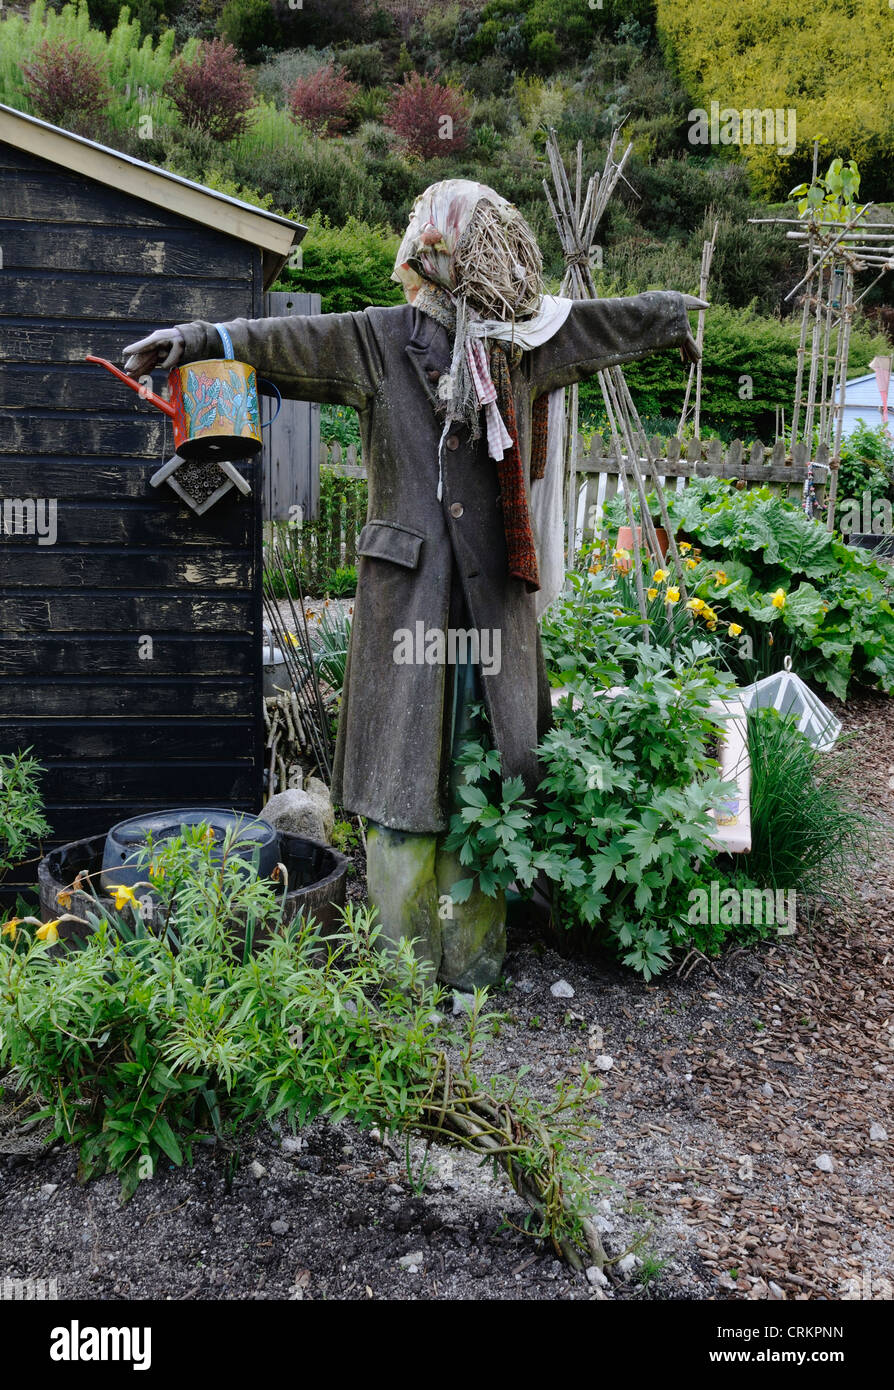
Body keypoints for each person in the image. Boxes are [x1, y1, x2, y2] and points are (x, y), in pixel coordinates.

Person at [123, 178, 704, 990]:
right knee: (403, 786)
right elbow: (279, 341)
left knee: (489, 774)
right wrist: (196, 338)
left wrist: (671, 315)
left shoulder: (521, 347)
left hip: (494, 602)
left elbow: (601, 321)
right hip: (411, 599)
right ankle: (405, 971)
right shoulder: (378, 339)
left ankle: (473, 965)